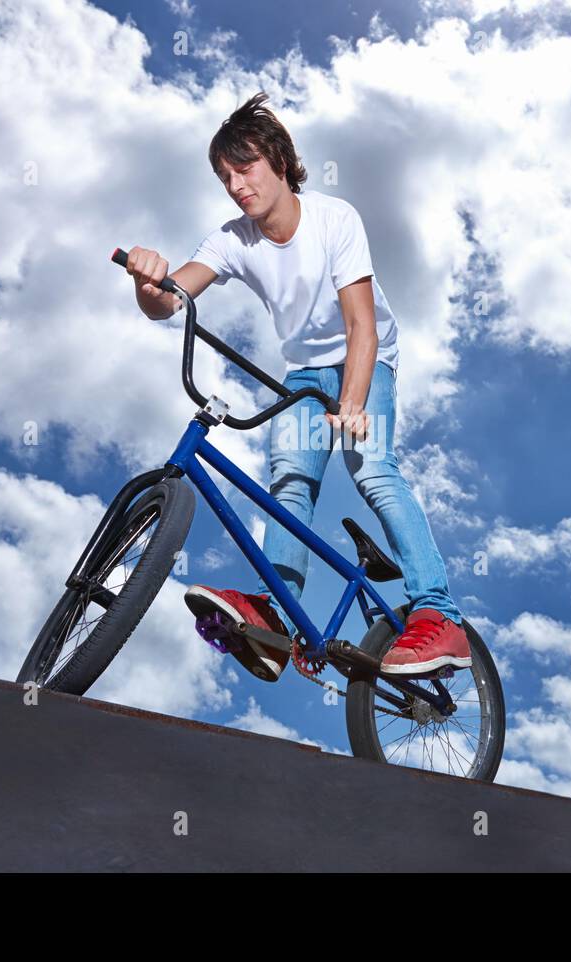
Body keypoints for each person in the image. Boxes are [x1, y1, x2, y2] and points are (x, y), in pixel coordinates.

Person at [123, 92, 468, 682]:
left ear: (280, 162)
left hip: (367, 357)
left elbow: (361, 325)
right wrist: (147, 279)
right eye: (225, 176)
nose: (236, 185)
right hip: (305, 372)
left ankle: (438, 613)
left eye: (247, 167)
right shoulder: (232, 239)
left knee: (372, 468)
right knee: (290, 480)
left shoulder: (335, 218)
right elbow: (167, 302)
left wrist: (353, 402)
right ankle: (279, 614)